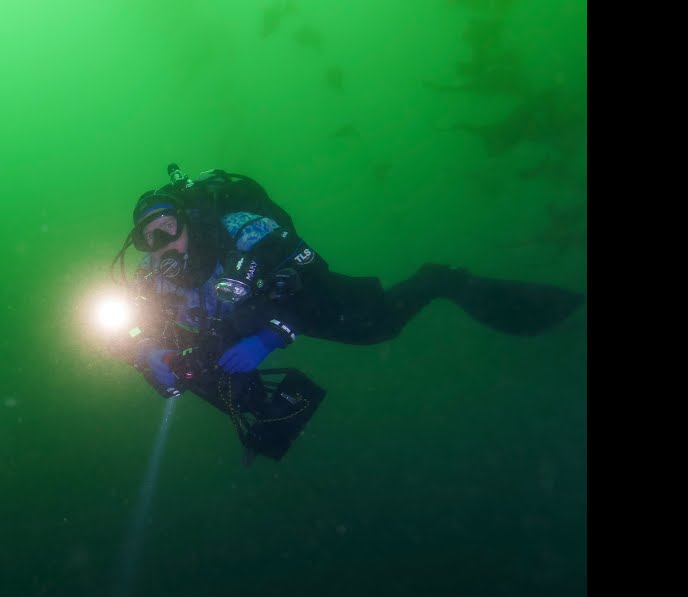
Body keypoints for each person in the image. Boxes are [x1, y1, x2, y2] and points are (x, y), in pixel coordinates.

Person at [109, 166, 584, 463]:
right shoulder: (153, 276)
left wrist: (273, 336)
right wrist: (147, 353)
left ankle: (438, 279)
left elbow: (308, 267)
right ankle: (264, 418)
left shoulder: (238, 227)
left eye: (166, 227)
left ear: (188, 221)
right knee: (208, 367)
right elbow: (132, 328)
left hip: (304, 301)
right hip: (238, 326)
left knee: (378, 327)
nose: (160, 245)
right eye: (146, 237)